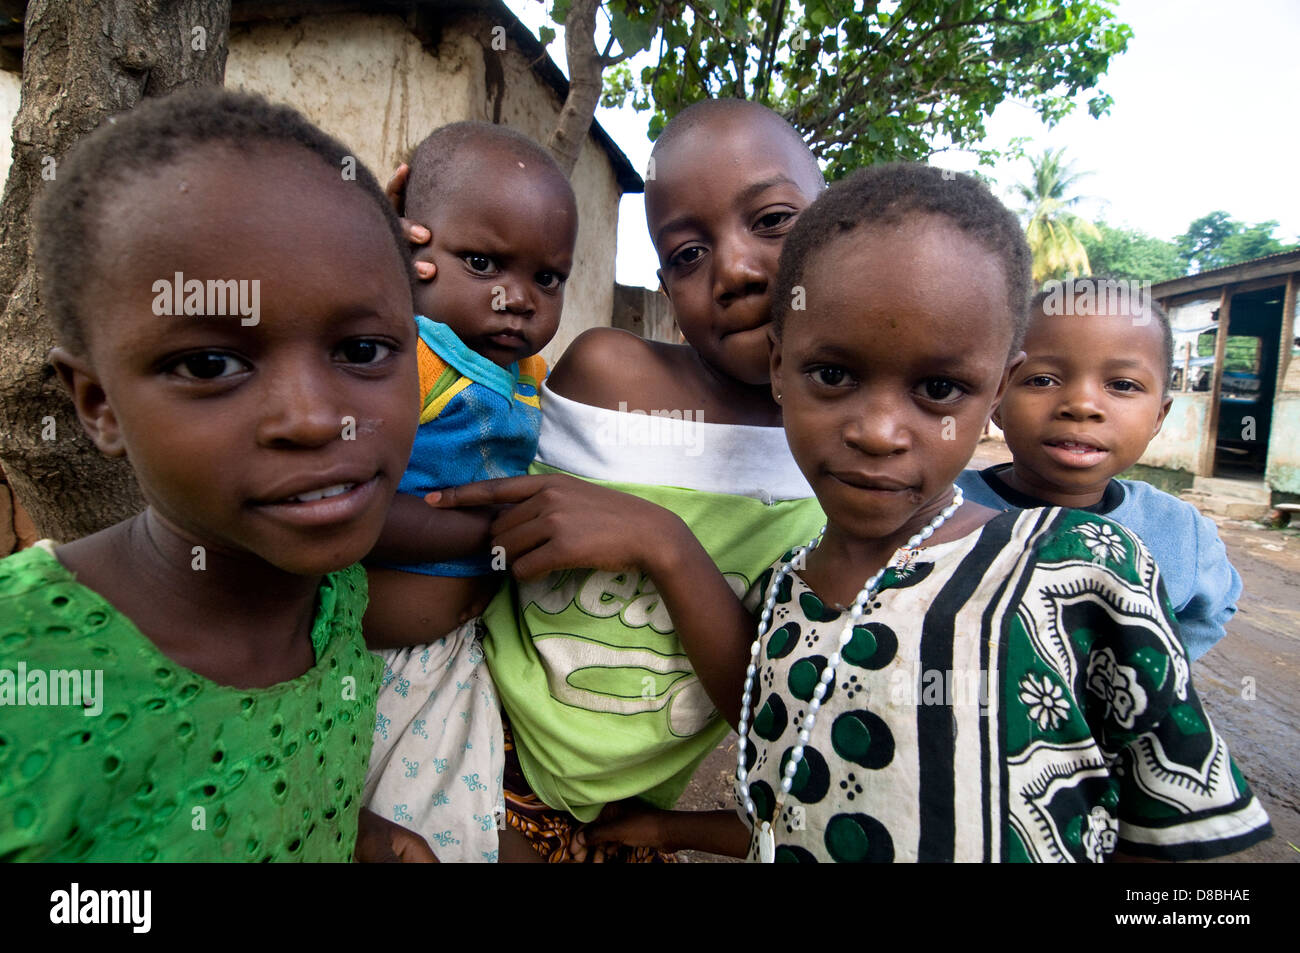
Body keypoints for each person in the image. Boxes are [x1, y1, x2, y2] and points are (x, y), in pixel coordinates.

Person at [541, 163, 1271, 862]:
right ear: (777, 367)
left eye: (939, 388)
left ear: (997, 392)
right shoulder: (780, 597)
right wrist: (670, 829)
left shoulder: (1081, 569)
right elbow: (804, 811)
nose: (878, 431)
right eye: (833, 375)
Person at [0, 89, 433, 861]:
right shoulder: (23, 663)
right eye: (210, 364)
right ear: (99, 406)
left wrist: (362, 833)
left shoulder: (338, 604)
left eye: (362, 350)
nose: (310, 418)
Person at [422, 99, 828, 860]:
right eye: (687, 254)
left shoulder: (847, 462)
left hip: (629, 816)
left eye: (772, 219)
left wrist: (661, 541)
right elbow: (438, 411)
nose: (735, 270)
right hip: (474, 742)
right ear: (667, 289)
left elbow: (770, 705)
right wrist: (385, 253)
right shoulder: (609, 376)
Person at [360, 122, 575, 862]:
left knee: (451, 830)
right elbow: (353, 513)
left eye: (547, 279)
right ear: (412, 247)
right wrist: (489, 540)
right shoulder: (398, 353)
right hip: (362, 659)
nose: (517, 299)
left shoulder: (530, 380)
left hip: (453, 656)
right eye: (481, 262)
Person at [957, 285, 1242, 661]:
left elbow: (1212, 610)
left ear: (1158, 417)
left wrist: (1157, 672)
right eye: (1043, 380)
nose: (1082, 405)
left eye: (1122, 385)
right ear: (997, 401)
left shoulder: (1180, 531)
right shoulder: (941, 506)